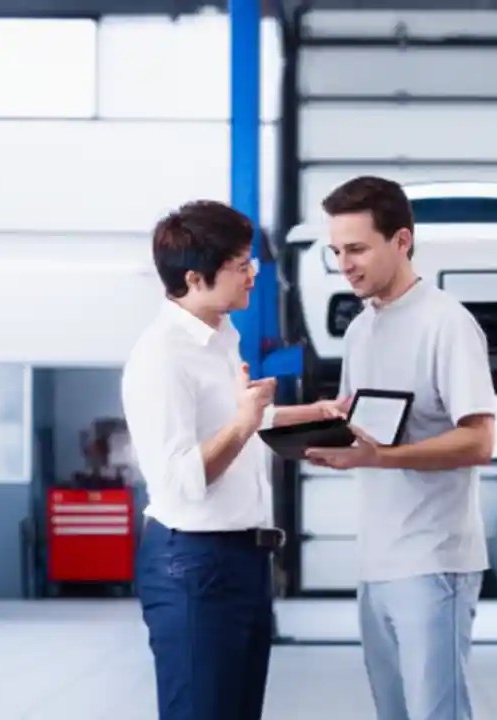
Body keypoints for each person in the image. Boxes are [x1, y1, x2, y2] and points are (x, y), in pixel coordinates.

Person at [122, 200, 345, 720]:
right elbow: (181, 481)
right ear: (196, 278)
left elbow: (240, 427)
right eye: (241, 264)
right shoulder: (163, 357)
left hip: (241, 559)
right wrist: (245, 419)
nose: (253, 275)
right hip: (194, 564)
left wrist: (315, 412)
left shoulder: (219, 337)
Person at [304, 176, 497, 720]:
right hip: (377, 561)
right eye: (337, 251)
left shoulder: (448, 324)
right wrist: (329, 431)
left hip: (434, 560)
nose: (345, 264)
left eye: (358, 248)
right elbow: (372, 431)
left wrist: (381, 457)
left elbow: (479, 440)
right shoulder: (361, 330)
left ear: (402, 241)